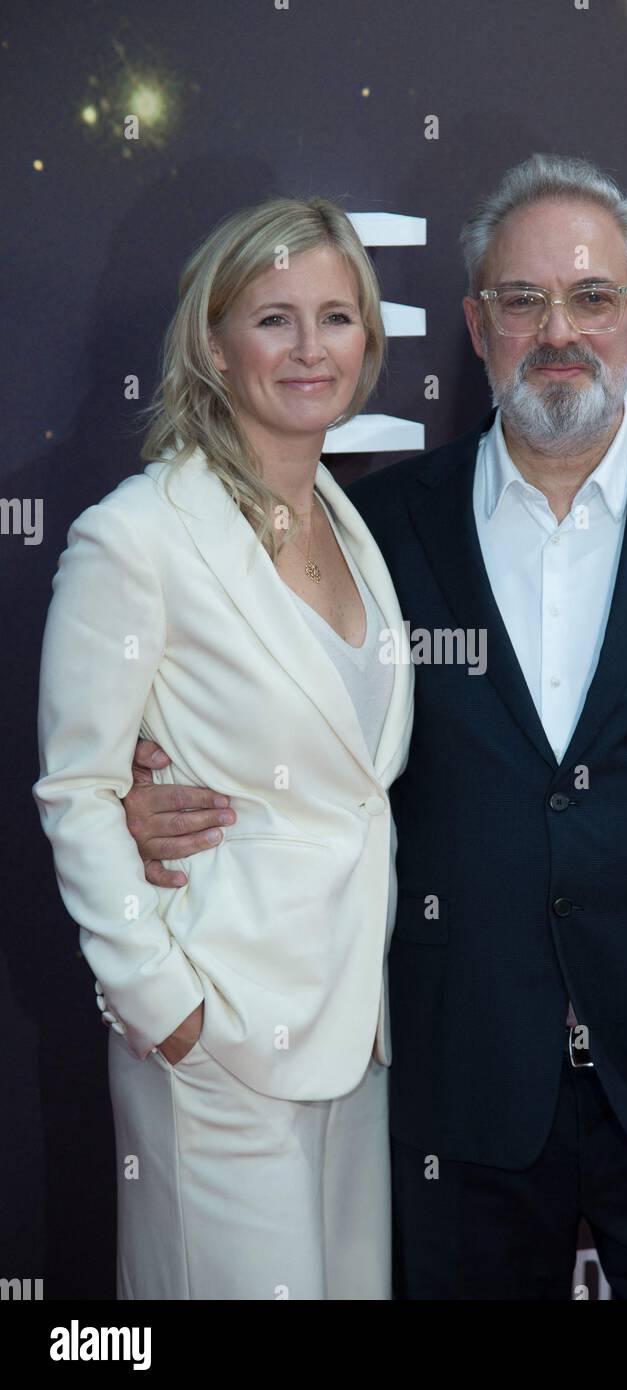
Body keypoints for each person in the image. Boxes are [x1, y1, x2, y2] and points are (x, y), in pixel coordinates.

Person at [120, 154, 627, 1300]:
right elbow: (282, 747)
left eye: (591, 298)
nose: (557, 330)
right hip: (453, 1096)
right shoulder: (368, 531)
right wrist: (148, 789)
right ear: (474, 323)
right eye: (521, 300)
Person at [32, 195, 414, 1300]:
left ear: (368, 342)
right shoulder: (138, 535)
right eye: (274, 318)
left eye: (336, 318)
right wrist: (166, 1005)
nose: (310, 349)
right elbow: (78, 790)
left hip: (354, 1039)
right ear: (212, 342)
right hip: (221, 1035)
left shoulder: (350, 524)